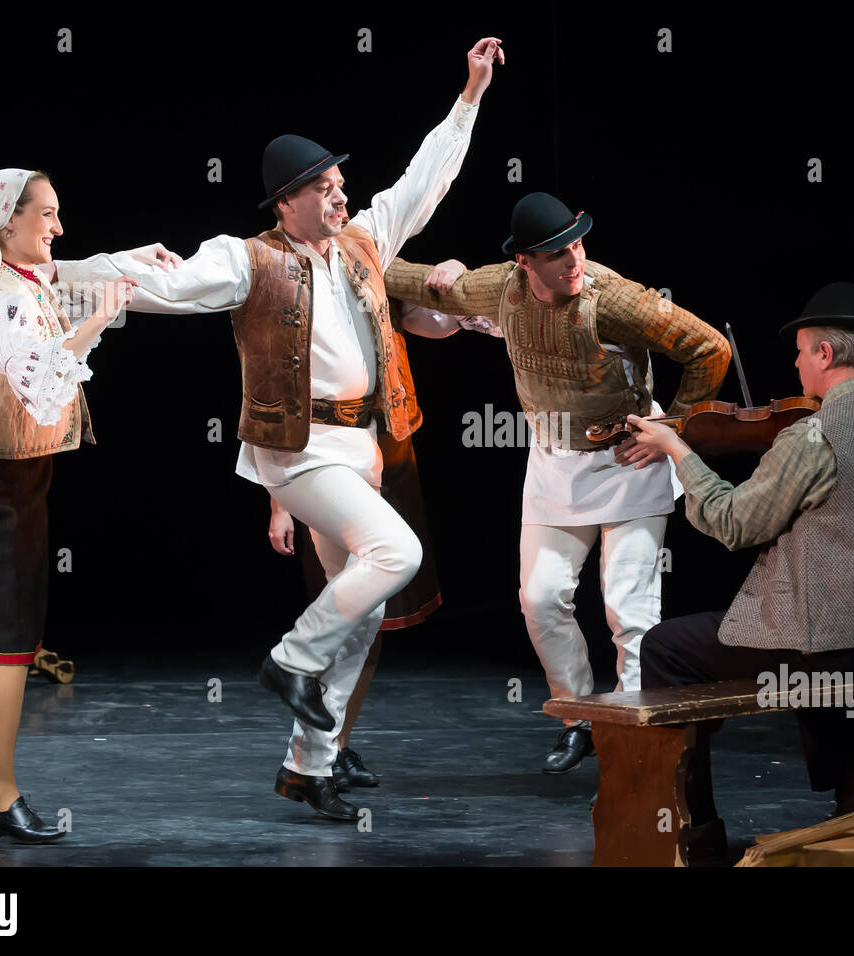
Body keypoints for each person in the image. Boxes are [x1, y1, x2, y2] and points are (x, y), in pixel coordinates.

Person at [51, 38, 503, 820]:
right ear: (285, 203)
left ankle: (307, 766)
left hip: (362, 446)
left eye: (339, 183)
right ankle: (290, 659)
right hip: (298, 453)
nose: (338, 196)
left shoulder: (361, 242)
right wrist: (54, 278)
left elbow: (425, 179)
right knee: (397, 552)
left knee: (361, 611)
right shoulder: (245, 259)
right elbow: (161, 285)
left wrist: (470, 94)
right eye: (322, 189)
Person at [384, 192, 731, 773]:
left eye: (576, 244)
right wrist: (347, 250)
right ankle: (580, 718)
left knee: (630, 609)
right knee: (540, 598)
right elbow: (407, 279)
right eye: (555, 253)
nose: (573, 260)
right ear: (524, 262)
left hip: (630, 463)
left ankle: (635, 739)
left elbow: (708, 348)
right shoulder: (498, 288)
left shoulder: (614, 300)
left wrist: (670, 429)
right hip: (553, 463)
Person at [626, 282, 854, 863]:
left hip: (836, 643)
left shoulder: (815, 433)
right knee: (814, 643)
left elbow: (732, 523)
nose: (796, 363)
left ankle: (691, 825)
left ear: (825, 355)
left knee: (666, 646)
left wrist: (680, 452)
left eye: (802, 352)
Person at [0, 168, 171, 842]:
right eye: (48, 216)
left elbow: (71, 268)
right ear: (7, 223)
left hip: (16, 482)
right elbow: (41, 387)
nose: (58, 229)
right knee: (7, 649)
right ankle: (0, 798)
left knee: (1, 644)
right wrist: (97, 320)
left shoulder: (24, 276)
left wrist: (130, 260)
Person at [266, 297, 489, 790]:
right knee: (347, 611)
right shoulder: (291, 287)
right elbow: (270, 392)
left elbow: (434, 320)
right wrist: (279, 501)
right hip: (323, 461)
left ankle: (319, 756)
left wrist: (463, 291)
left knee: (368, 618)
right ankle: (299, 693)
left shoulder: (374, 271)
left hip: (386, 454)